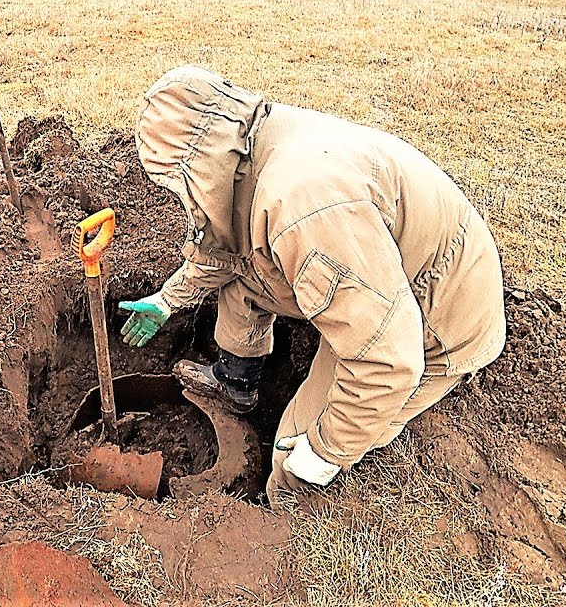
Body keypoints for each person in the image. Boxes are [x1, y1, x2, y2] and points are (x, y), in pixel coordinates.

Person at [118, 65, 506, 500]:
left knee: (293, 451)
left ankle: (283, 514)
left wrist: (323, 454)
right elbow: (226, 250)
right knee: (243, 278)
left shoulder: (303, 207)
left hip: (434, 310)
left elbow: (388, 359)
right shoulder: (244, 151)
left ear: (201, 166)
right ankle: (236, 383)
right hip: (371, 272)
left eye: (179, 184)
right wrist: (169, 300)